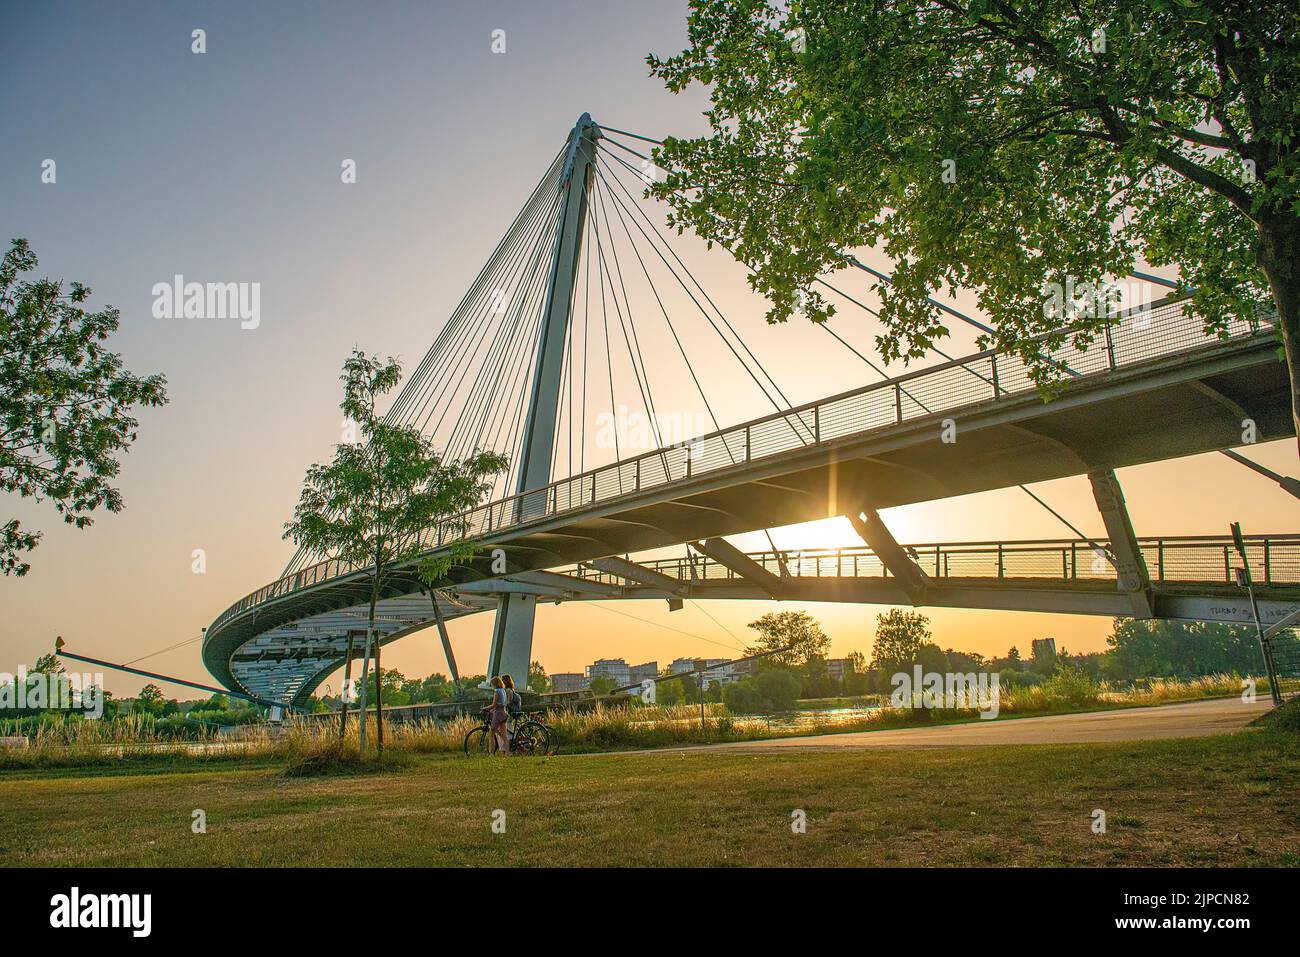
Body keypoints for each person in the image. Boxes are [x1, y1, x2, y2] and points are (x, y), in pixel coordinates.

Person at [487, 676, 510, 755]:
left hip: (498, 714)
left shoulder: (497, 691)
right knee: (504, 735)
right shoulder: (503, 691)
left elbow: (494, 704)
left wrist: (485, 708)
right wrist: (492, 710)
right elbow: (501, 704)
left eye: (492, 684)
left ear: (494, 684)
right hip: (504, 713)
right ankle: (507, 753)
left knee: (491, 733)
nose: (492, 686)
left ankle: (491, 753)